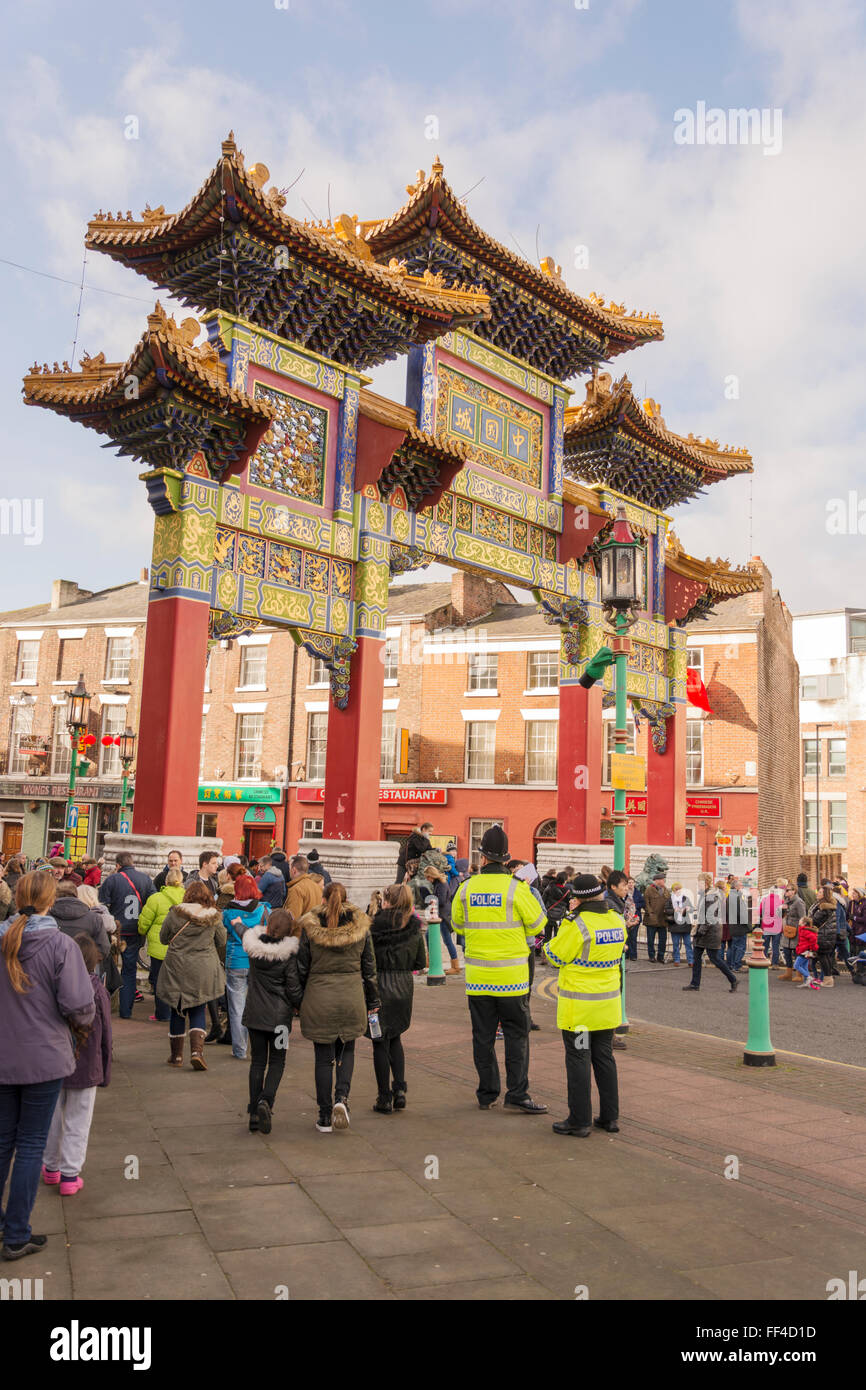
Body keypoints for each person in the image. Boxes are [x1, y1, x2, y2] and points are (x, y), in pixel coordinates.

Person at [0, 872, 95, 1261]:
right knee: (31, 1145)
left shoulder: (5, 939)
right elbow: (79, 1005)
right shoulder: (59, 945)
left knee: (3, 1142)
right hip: (44, 1057)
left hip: (5, 1055)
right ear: (49, 901)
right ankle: (16, 1232)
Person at [450, 825, 548, 1114]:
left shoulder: (467, 888)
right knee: (517, 1037)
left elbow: (457, 924)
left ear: (482, 857)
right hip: (513, 979)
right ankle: (517, 1093)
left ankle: (486, 1092)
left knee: (483, 1037)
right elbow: (539, 925)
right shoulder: (517, 889)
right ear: (507, 859)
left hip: (478, 979)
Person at [289, 883, 379, 1133]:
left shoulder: (310, 928)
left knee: (323, 1058)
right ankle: (342, 1098)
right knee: (347, 1049)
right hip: (351, 996)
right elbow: (370, 969)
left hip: (320, 996)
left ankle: (325, 1114)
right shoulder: (361, 927)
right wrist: (373, 1002)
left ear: (324, 899)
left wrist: (299, 1001)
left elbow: (301, 968)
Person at [544, 874, 626, 1137]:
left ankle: (579, 1121)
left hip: (580, 1010)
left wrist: (549, 941)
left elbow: (556, 956)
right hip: (608, 1005)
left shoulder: (576, 924)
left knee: (579, 1058)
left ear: (577, 898)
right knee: (604, 1057)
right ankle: (609, 1118)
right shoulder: (616, 918)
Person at [41, 934, 111, 1196]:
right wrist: (105, 1069)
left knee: (52, 1118)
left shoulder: (52, 987)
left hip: (55, 1062)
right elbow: (106, 1035)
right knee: (79, 1120)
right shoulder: (96, 990)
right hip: (87, 1063)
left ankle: (50, 1168)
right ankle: (70, 1174)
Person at [367, 884, 427, 1112]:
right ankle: (399, 1089)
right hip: (403, 986)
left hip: (379, 985)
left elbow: (367, 959)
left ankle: (384, 1097)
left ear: (387, 901)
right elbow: (421, 963)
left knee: (379, 1041)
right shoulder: (413, 928)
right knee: (396, 1038)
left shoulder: (373, 926)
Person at [156, 881, 227, 1070]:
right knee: (198, 1006)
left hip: (176, 966)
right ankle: (197, 1052)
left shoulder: (175, 912)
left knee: (177, 1008)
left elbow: (163, 938)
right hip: (203, 968)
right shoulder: (214, 916)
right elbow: (221, 940)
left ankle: (176, 1056)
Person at [242, 908, 300, 1134]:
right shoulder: (289, 956)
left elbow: (242, 930)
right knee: (278, 1061)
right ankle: (266, 1101)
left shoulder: (254, 951)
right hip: (281, 1020)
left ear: (267, 927)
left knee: (257, 1062)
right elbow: (293, 988)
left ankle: (254, 1114)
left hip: (255, 1016)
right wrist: (300, 1004)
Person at [98, 851, 155, 1019]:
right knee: (129, 970)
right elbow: (152, 902)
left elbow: (103, 905)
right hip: (136, 929)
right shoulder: (145, 879)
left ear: (117, 865)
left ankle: (107, 1005)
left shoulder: (112, 880)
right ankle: (126, 1010)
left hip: (116, 930)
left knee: (109, 967)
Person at [222, 870, 268, 1061]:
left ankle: (239, 1049)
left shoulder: (228, 911)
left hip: (236, 960)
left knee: (236, 1007)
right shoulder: (264, 910)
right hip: (256, 960)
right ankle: (258, 1047)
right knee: (257, 1005)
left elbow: (226, 930)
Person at [137, 870, 185, 1023]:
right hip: (180, 946)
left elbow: (144, 922)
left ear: (165, 882)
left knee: (158, 980)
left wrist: (142, 932)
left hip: (159, 945)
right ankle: (177, 1011)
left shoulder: (156, 898)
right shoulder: (187, 898)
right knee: (177, 980)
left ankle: (162, 1013)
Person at [683, 878, 739, 993]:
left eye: (700, 884)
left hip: (710, 932)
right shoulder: (707, 895)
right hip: (707, 931)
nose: (698, 886)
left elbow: (710, 917)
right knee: (697, 957)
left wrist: (700, 932)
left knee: (715, 958)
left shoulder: (711, 896)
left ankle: (733, 979)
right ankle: (695, 984)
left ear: (706, 883)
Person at [50, 881, 111, 962]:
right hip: (84, 968)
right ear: (76, 895)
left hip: (53, 967)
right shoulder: (94, 918)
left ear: (55, 895)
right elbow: (104, 949)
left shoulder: (46, 917)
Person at [422, 864, 460, 975]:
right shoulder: (438, 884)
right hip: (440, 915)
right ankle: (430, 962)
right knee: (428, 935)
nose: (427, 879)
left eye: (427, 877)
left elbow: (441, 901)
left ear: (431, 875)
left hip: (442, 916)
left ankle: (455, 966)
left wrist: (429, 896)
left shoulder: (441, 885)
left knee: (447, 940)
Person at [811, 888, 840, 987]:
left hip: (824, 936)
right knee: (826, 957)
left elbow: (815, 921)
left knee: (823, 957)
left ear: (824, 895)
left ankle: (828, 980)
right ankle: (828, 979)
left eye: (819, 892)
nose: (817, 893)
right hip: (828, 935)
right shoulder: (829, 907)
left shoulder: (824, 908)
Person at [779, 883, 806, 981]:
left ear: (794, 891)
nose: (786, 892)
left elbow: (803, 917)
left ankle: (799, 974)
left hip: (796, 930)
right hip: (787, 930)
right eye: (785, 890)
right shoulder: (786, 901)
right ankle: (788, 973)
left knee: (797, 952)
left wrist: (800, 928)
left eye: (788, 890)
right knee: (786, 951)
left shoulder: (799, 902)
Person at [284, 855, 324, 919]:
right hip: (314, 927)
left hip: (302, 928)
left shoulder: (296, 889)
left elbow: (293, 918)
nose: (289, 871)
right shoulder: (316, 886)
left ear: (294, 870)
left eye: (289, 869)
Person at [643, 870, 670, 963]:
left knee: (663, 940)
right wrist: (651, 914)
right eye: (662, 879)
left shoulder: (666, 890)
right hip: (652, 920)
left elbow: (669, 902)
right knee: (651, 940)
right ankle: (651, 956)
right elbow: (646, 904)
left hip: (663, 920)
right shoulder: (649, 889)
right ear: (657, 880)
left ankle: (660, 956)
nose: (664, 881)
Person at [757, 881, 785, 967]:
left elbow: (759, 912)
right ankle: (775, 964)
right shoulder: (781, 901)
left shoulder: (764, 900)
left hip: (766, 926)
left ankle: (764, 961)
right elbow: (784, 913)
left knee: (765, 945)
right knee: (775, 946)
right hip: (777, 926)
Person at [668, 882, 695, 967]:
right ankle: (676, 960)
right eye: (676, 889)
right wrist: (674, 910)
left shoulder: (685, 898)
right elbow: (666, 910)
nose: (678, 891)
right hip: (675, 924)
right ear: (673, 890)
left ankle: (690, 960)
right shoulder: (670, 899)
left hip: (685, 924)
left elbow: (692, 908)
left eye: (679, 889)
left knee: (688, 944)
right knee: (675, 944)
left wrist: (688, 908)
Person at [793, 918, 822, 990]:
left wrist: (811, 948)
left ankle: (809, 977)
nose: (799, 920)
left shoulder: (805, 930)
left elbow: (813, 939)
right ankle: (806, 982)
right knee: (805, 967)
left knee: (796, 965)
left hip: (804, 951)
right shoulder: (805, 929)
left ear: (804, 923)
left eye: (801, 920)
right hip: (806, 951)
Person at [624, 876, 641, 960]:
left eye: (632, 882)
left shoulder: (638, 893)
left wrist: (634, 906)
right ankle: (626, 954)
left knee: (633, 937)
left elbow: (642, 903)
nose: (630, 884)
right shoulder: (625, 893)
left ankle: (633, 955)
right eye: (629, 882)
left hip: (635, 916)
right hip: (626, 917)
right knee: (626, 936)